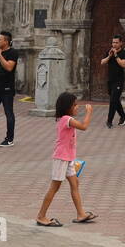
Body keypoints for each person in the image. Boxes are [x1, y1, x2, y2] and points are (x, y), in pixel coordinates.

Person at [36, 92, 96, 226]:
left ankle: (81, 214)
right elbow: (84, 126)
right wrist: (89, 112)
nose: (77, 107)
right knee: (54, 187)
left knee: (75, 183)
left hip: (68, 158)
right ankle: (41, 216)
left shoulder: (65, 119)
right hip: (61, 158)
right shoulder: (66, 119)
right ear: (67, 107)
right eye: (74, 105)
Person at [100, 33, 125, 128]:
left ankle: (109, 121)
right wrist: (109, 56)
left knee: (113, 100)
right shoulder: (109, 51)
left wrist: (116, 55)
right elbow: (102, 62)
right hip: (110, 80)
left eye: (116, 43)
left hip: (119, 80)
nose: (114, 45)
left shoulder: (124, 53)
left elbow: (123, 65)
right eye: (113, 42)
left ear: (121, 43)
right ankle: (123, 116)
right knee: (115, 100)